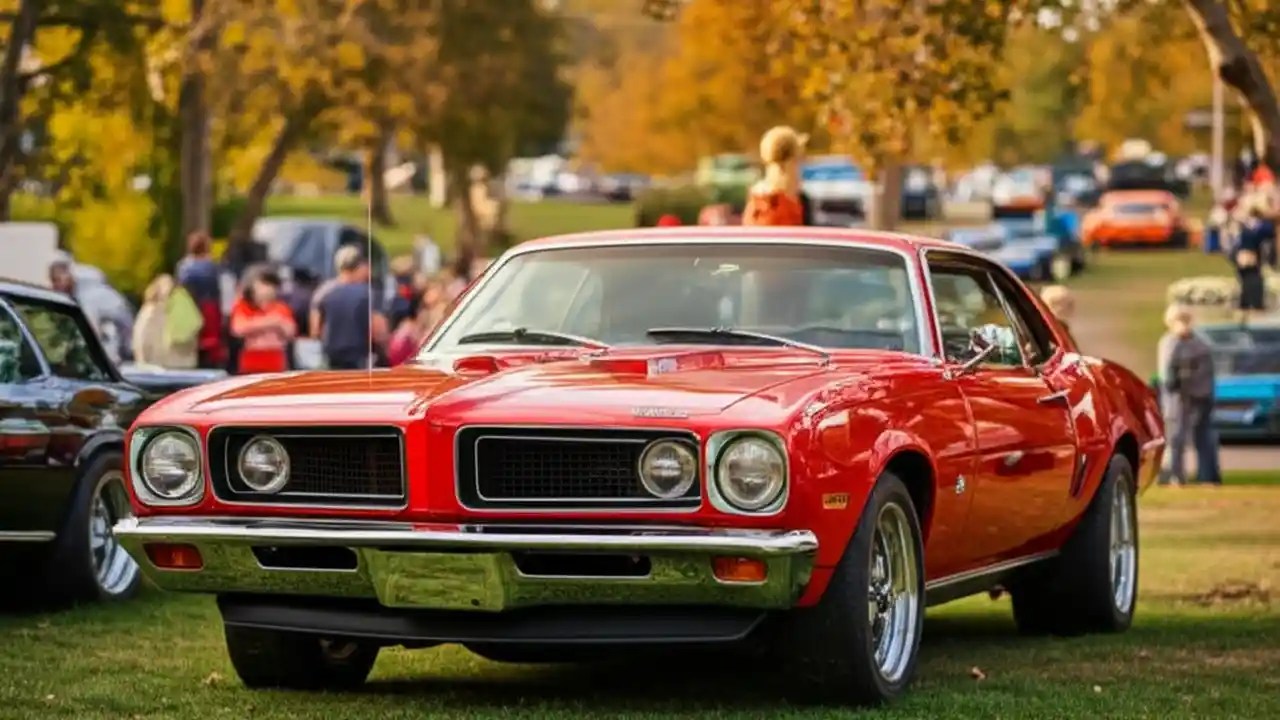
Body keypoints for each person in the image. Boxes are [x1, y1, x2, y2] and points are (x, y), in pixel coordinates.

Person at [1157, 304, 1221, 486]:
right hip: (1179, 397)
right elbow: (1167, 374)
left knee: (1201, 437)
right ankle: (1175, 475)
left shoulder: (1197, 343)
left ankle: (1206, 476)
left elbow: (1204, 372)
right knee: (1177, 437)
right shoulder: (1171, 342)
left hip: (1195, 396)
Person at [312, 245, 387, 370]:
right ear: (359, 267)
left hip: (331, 358)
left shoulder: (323, 292)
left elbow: (315, 330)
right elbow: (379, 330)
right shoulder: (367, 293)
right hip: (358, 358)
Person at [176, 231, 227, 370]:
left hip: (188, 309)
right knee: (209, 345)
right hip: (209, 309)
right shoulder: (211, 266)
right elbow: (219, 290)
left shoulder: (183, 266)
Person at [230, 269, 296, 374]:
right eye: (264, 284)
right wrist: (272, 322)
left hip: (275, 357)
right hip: (252, 357)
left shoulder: (281, 308)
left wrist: (257, 324)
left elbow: (290, 332)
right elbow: (238, 329)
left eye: (271, 285)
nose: (268, 289)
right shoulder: (243, 306)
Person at [132, 275, 201, 368]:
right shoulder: (184, 306)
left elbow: (141, 337)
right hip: (182, 366)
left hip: (156, 366)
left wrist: (141, 361)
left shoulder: (150, 310)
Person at [742, 126, 806, 226]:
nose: (799, 169)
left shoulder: (757, 203)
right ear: (786, 164)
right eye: (797, 160)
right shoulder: (777, 208)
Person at [1230, 192, 1276, 321]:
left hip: (1249, 257)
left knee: (1251, 282)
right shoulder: (1255, 225)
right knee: (1251, 283)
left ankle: (1248, 307)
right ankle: (1251, 307)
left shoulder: (1256, 224)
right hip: (1248, 257)